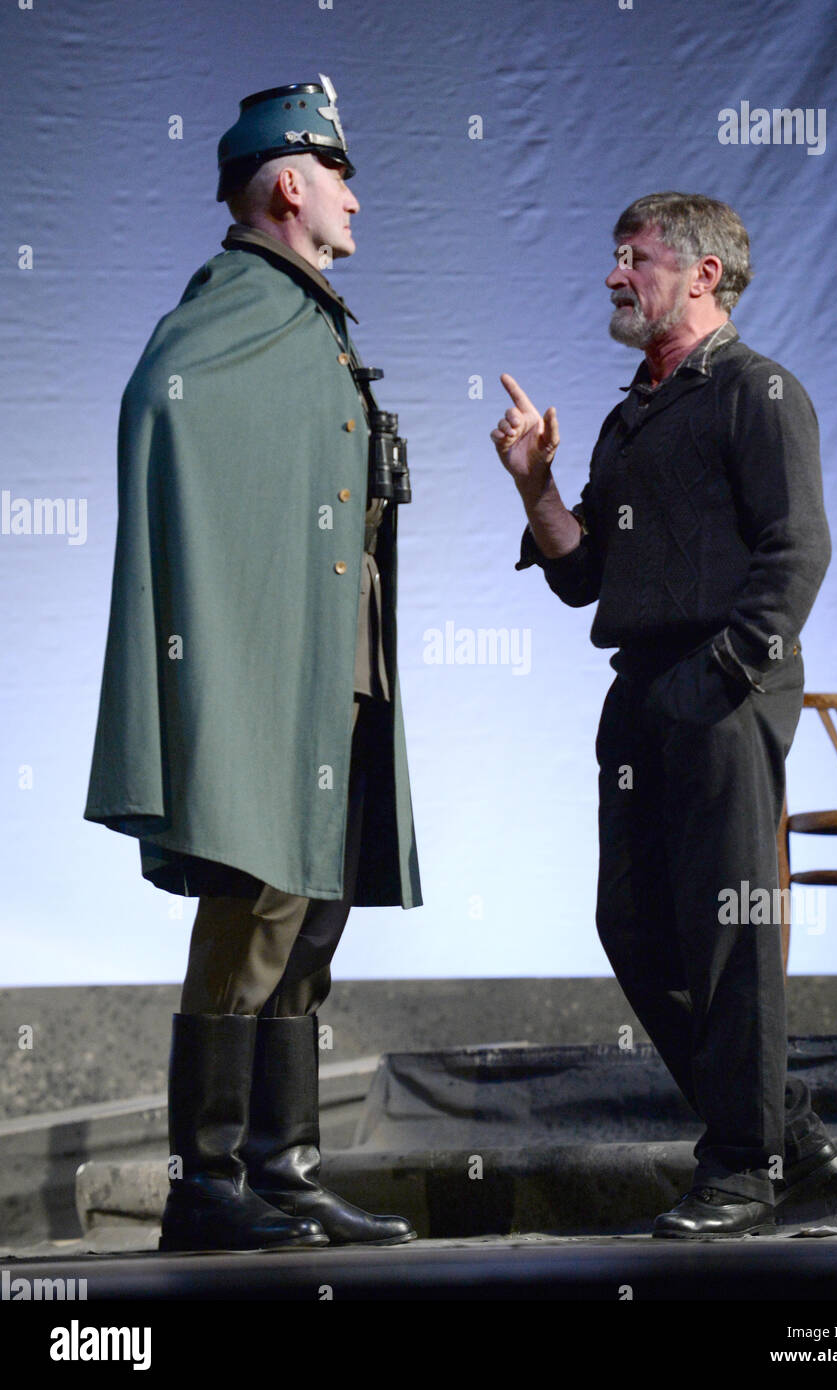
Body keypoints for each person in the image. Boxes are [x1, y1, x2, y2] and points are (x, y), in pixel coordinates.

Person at [84, 77, 421, 1253]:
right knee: (253, 909)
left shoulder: (307, 313)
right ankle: (205, 1180)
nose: (355, 200)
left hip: (339, 669)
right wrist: (231, 629)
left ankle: (281, 1170)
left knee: (311, 918)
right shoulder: (234, 304)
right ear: (289, 182)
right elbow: (163, 425)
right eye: (340, 176)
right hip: (272, 673)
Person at [492, 191, 837, 1239]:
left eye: (633, 258)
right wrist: (535, 487)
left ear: (702, 274)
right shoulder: (629, 414)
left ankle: (741, 1168)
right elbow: (582, 572)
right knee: (633, 924)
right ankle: (787, 1132)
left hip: (721, 686)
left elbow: (798, 550)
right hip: (639, 691)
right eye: (614, 257)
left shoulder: (759, 392)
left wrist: (729, 672)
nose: (613, 275)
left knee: (730, 933)